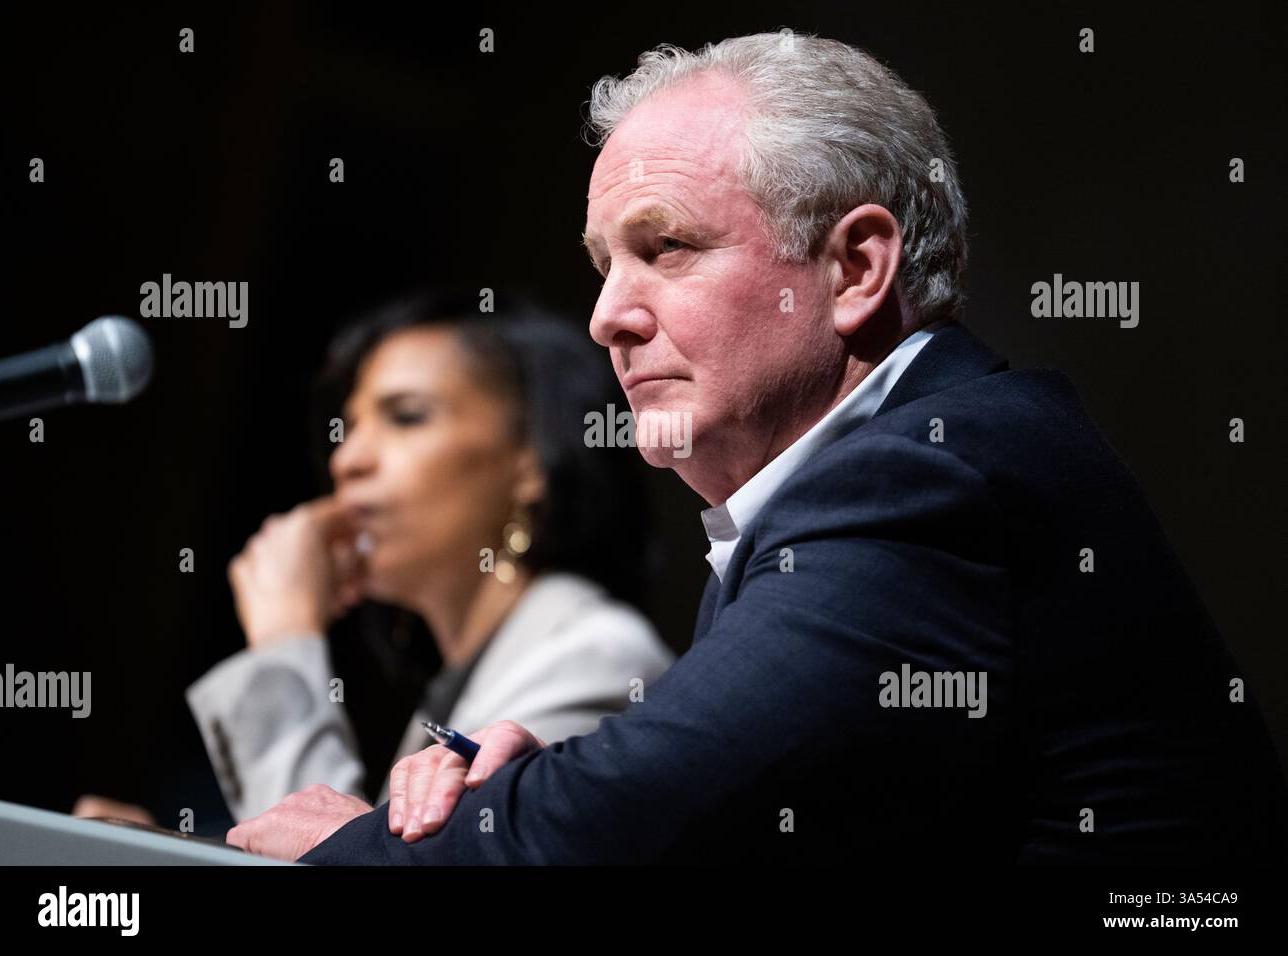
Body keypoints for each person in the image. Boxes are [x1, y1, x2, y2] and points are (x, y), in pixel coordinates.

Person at [226, 33, 1288, 864]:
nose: (606, 316)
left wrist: (350, 845)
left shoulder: (932, 472)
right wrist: (542, 783)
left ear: (854, 267)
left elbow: (623, 820)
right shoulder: (855, 484)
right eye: (604, 264)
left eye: (666, 247)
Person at [79, 292, 673, 829]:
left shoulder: (595, 657)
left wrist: (286, 640)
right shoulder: (473, 672)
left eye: (405, 416)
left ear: (532, 465)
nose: (347, 461)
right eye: (351, 426)